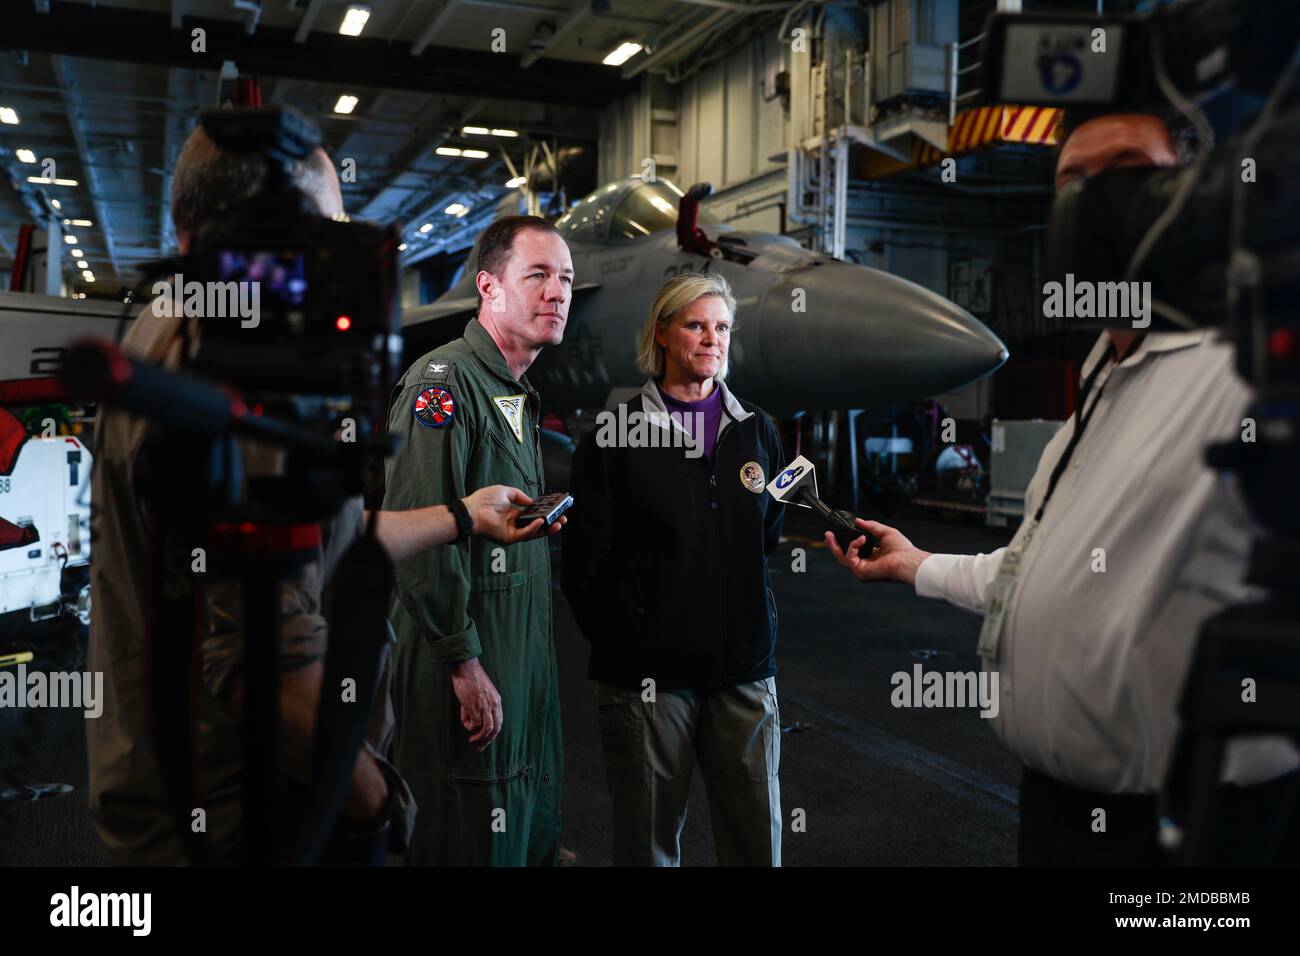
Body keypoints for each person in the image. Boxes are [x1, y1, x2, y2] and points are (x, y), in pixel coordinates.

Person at [826, 108, 1300, 865]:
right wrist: (915, 563)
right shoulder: (1107, 370)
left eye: (1127, 173)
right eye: (1070, 183)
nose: (1090, 202)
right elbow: (1042, 568)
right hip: (1061, 815)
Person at [87, 125, 559, 865]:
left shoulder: (188, 337)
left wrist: (462, 515)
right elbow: (264, 674)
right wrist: (377, 811)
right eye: (327, 229)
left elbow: (320, 538)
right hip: (249, 823)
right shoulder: (225, 365)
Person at [562, 272, 786, 866]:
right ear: (662, 333)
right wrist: (631, 640)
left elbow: (765, 537)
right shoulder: (614, 436)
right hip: (648, 682)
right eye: (696, 325)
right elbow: (584, 563)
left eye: (722, 327)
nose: (712, 339)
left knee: (756, 837)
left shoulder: (758, 431)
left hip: (743, 674)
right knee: (647, 844)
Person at [382, 215, 573, 866]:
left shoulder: (514, 392)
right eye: (539, 275)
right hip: (462, 669)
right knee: (465, 834)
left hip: (514, 661)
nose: (558, 293)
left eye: (567, 279)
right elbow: (418, 538)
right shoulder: (444, 385)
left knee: (519, 828)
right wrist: (463, 663)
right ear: (488, 287)